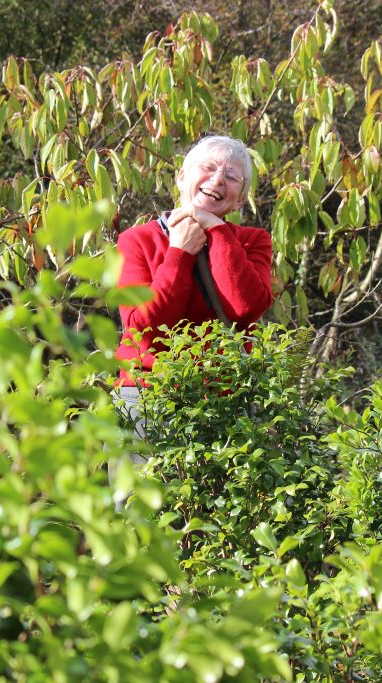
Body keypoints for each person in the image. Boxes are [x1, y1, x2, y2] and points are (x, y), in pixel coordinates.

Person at [110, 135, 273, 487]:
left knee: (223, 521)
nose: (217, 181)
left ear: (240, 197)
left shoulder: (252, 241)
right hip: (147, 395)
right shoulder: (137, 241)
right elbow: (144, 332)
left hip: (225, 396)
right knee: (141, 516)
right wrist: (179, 252)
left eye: (232, 176)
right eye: (209, 168)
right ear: (182, 176)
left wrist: (217, 232)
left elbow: (246, 306)